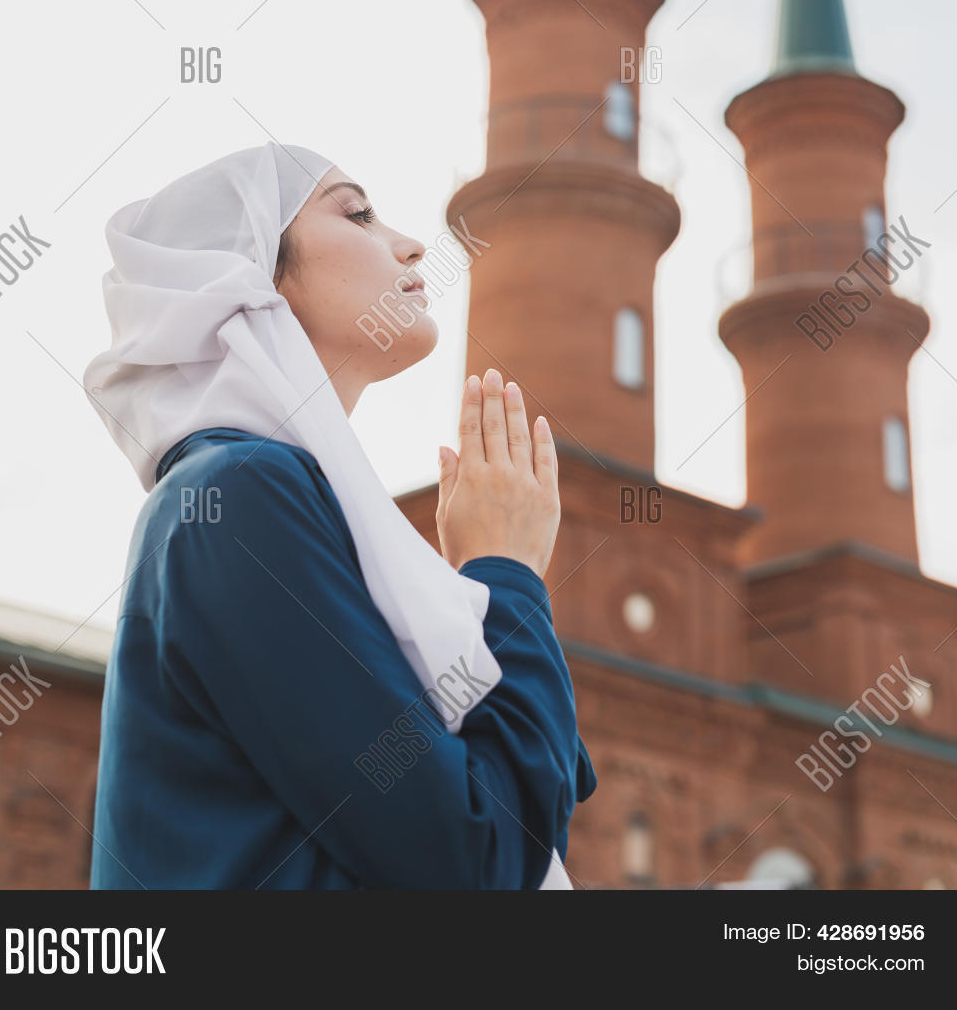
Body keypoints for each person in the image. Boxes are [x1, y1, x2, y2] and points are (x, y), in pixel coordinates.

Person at [84, 141, 596, 890]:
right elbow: (478, 860)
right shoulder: (239, 492)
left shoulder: (269, 496)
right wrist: (508, 574)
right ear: (248, 275)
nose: (412, 245)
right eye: (357, 214)